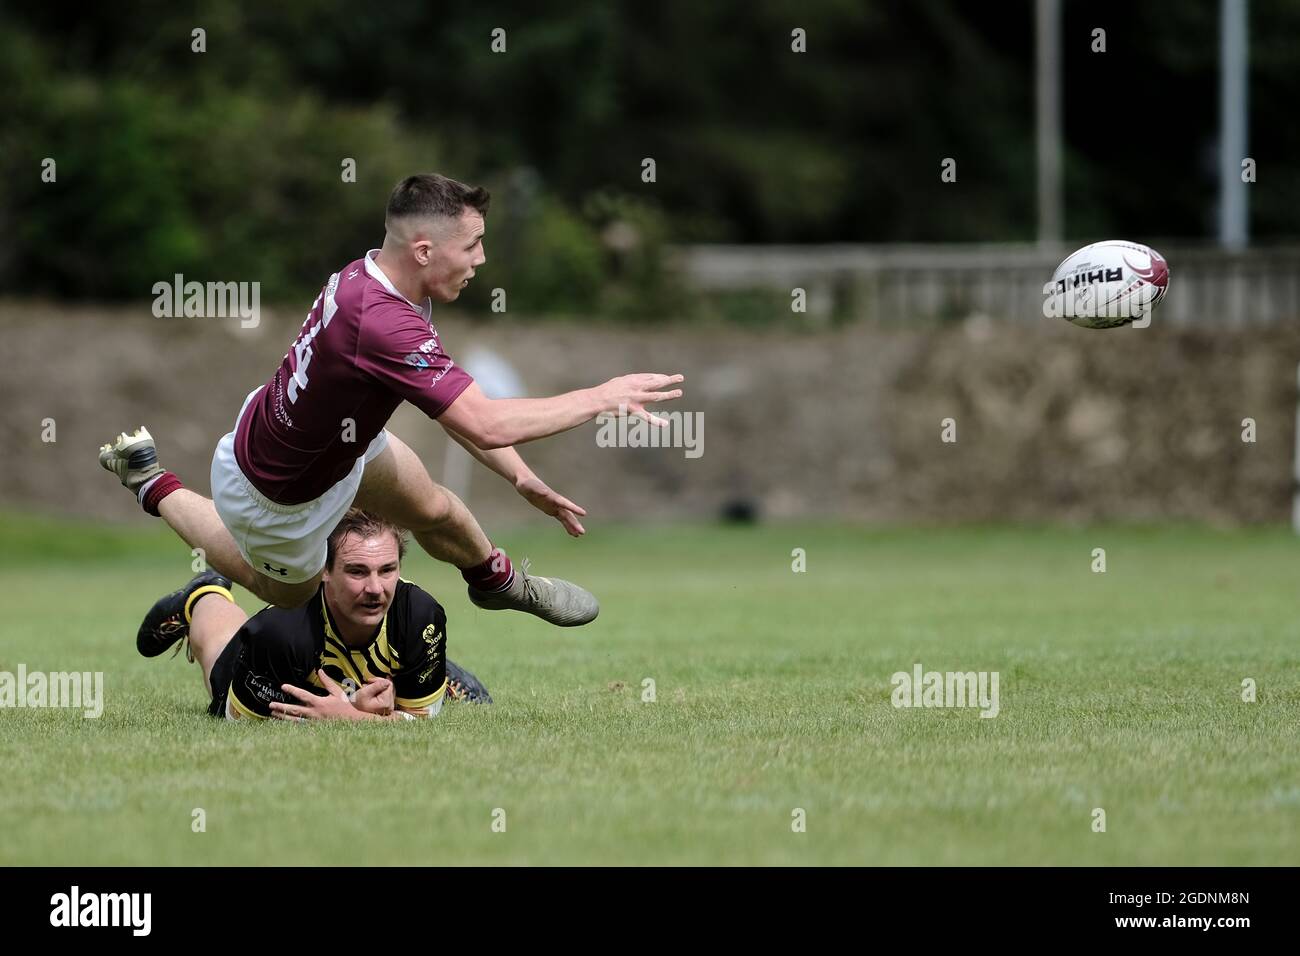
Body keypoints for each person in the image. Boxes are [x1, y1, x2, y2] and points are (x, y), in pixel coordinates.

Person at [99, 172, 684, 626]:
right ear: (425, 250)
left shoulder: (381, 275)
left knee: (438, 509)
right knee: (287, 594)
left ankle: (498, 583)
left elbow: (461, 408)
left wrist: (519, 478)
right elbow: (484, 423)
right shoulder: (381, 321)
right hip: (274, 495)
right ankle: (154, 483)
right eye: (474, 245)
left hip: (340, 442)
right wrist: (601, 396)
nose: (482, 260)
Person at [136, 509, 490, 721]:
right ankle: (203, 594)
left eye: (387, 570)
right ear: (323, 570)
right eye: (356, 571)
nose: (375, 588)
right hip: (273, 669)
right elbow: (240, 724)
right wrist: (351, 712)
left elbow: (420, 725)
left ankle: (400, 674)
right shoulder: (281, 632)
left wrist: (351, 714)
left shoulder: (419, 614)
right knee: (217, 651)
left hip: (352, 665)